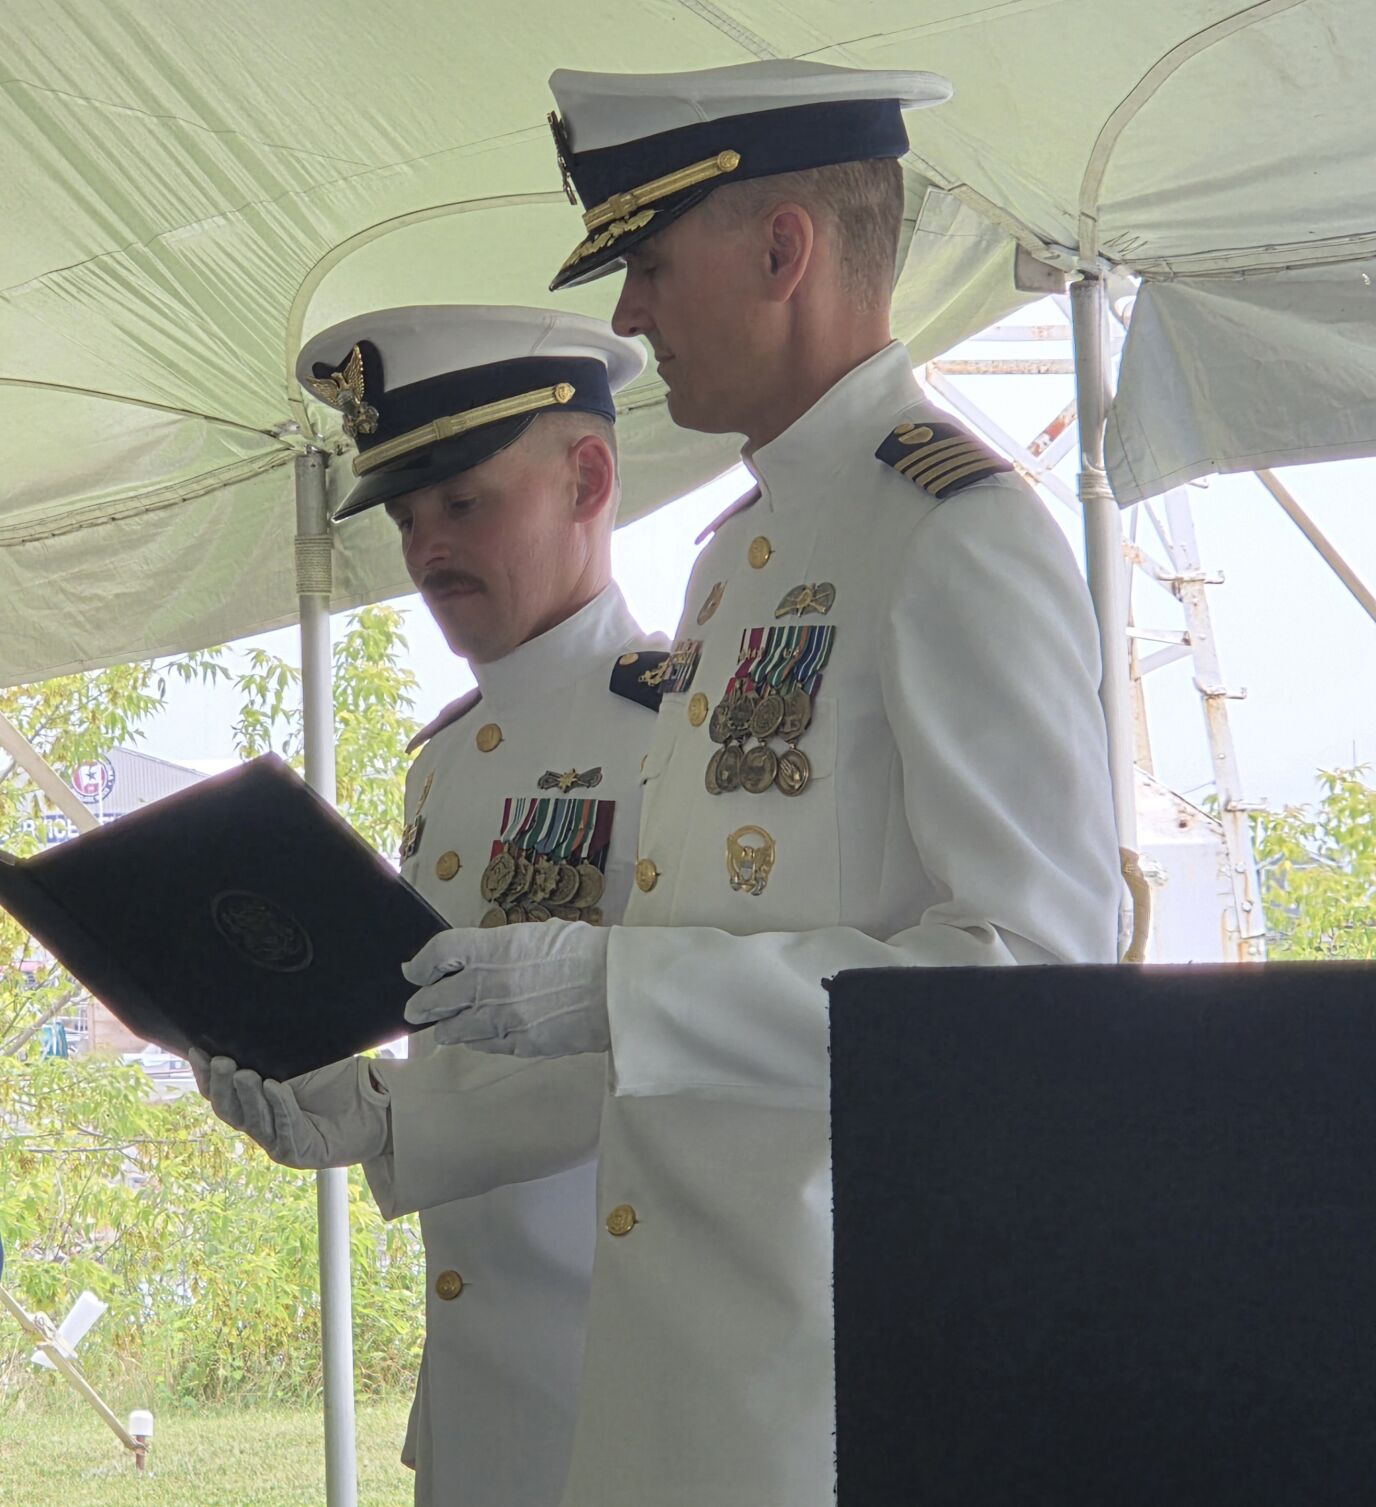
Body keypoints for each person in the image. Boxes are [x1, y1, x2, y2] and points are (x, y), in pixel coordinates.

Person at [401, 59, 1124, 1507]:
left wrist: (614, 986)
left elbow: (1039, 974)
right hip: (680, 1371)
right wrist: (405, 1108)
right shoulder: (743, 558)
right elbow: (705, 989)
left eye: (652, 263)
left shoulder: (948, 531)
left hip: (837, 1382)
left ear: (782, 251)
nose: (627, 315)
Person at [190, 304, 667, 1507]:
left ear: (588, 479)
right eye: (406, 518)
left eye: (462, 503)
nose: (426, 548)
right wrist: (322, 1084)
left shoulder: (685, 732)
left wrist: (391, 1120)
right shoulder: (442, 760)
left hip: (643, 1410)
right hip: (477, 1413)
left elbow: (697, 1046)